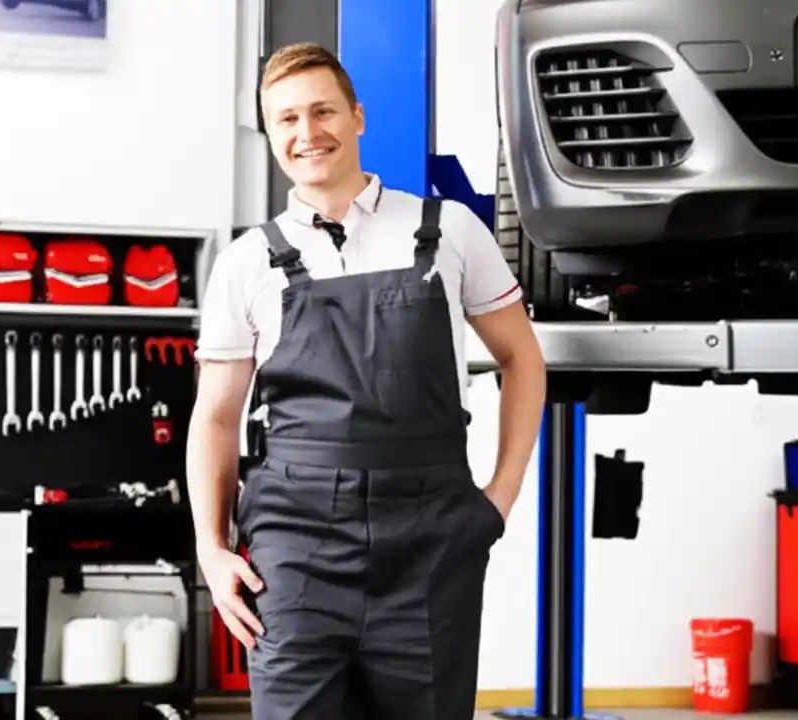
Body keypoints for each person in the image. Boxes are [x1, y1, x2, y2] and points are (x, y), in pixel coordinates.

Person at [186, 42, 547, 719]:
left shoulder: (449, 231)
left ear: (356, 116)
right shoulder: (246, 262)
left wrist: (497, 499)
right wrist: (211, 547)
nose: (306, 133)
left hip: (432, 542)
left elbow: (523, 358)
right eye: (286, 120)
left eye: (322, 111)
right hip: (295, 546)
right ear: (271, 136)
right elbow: (214, 416)